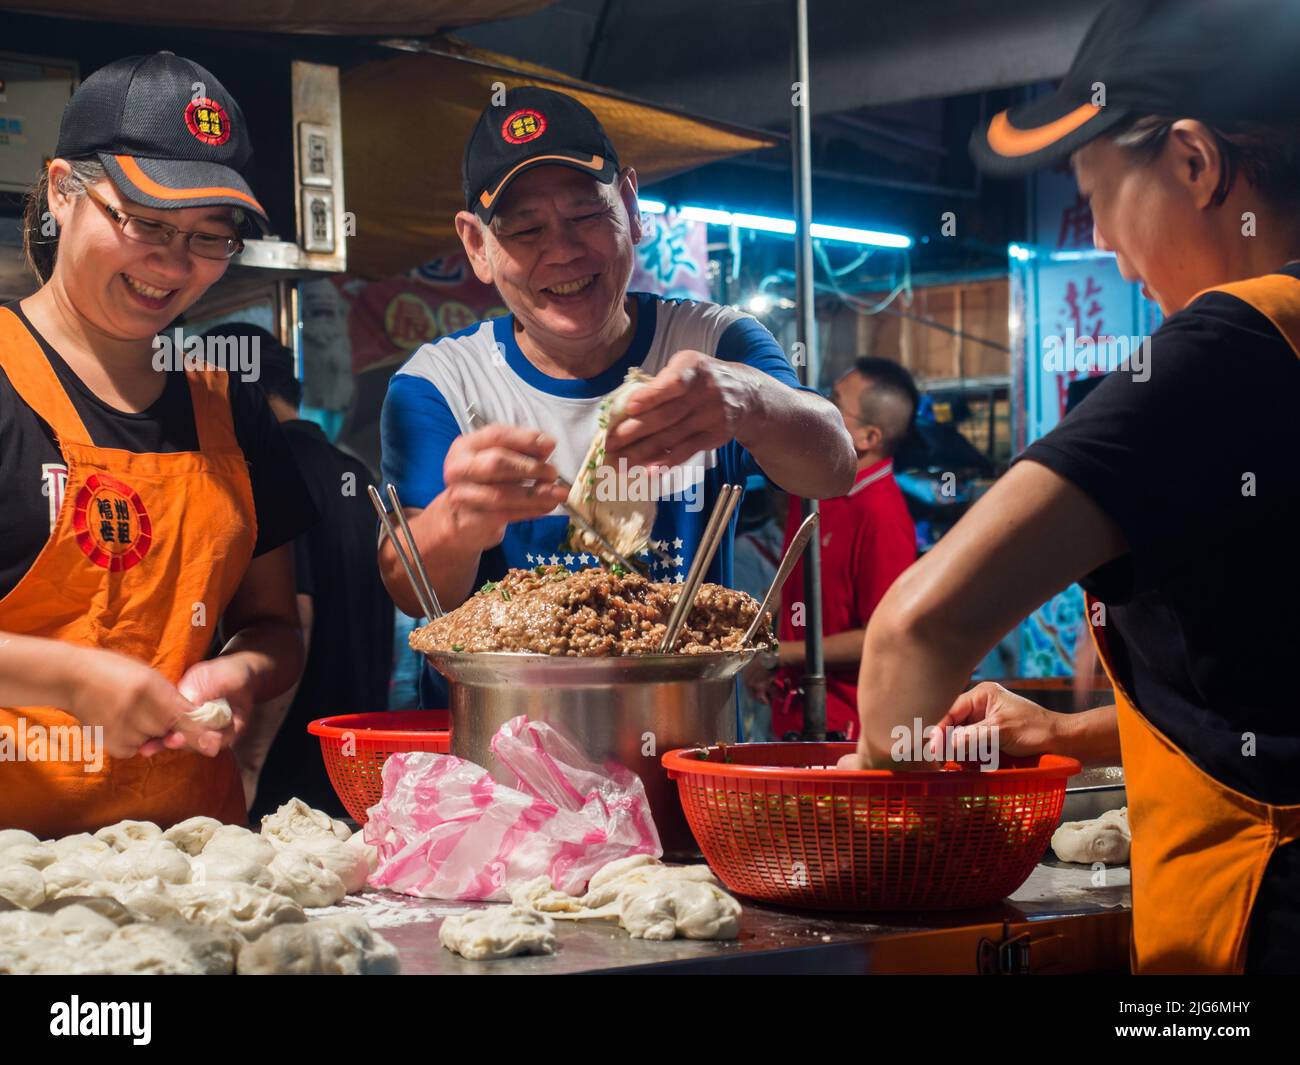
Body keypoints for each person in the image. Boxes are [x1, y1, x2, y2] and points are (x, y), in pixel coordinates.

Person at [849, 0, 1300, 974]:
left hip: (1252, 931)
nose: (1097, 237)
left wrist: (881, 813)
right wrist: (1067, 733)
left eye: (1097, 193)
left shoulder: (1227, 347)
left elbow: (914, 630)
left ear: (1194, 163)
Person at [379, 86, 855, 706]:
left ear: (630, 207)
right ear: (478, 247)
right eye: (525, 229)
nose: (565, 251)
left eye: (587, 215)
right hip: (498, 760)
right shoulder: (440, 383)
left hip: (683, 744)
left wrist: (751, 400)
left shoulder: (712, 341)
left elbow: (834, 469)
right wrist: (458, 520)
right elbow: (412, 588)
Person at [0, 54, 316, 836]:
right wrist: (68, 677)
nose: (173, 266)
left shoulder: (228, 398)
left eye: (211, 238)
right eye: (145, 222)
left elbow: (276, 624)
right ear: (63, 190)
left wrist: (241, 671)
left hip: (193, 874)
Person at [202, 323, 393, 819]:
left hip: (286, 784)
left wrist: (247, 764)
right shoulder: (352, 470)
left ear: (238, 393)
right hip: (355, 769)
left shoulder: (270, 471)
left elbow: (295, 617)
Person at [752, 358, 918, 739]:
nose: (821, 406)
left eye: (835, 402)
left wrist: (778, 656)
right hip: (789, 712)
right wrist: (757, 639)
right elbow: (786, 577)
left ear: (869, 438)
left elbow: (881, 635)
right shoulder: (815, 487)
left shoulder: (882, 515)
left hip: (844, 729)